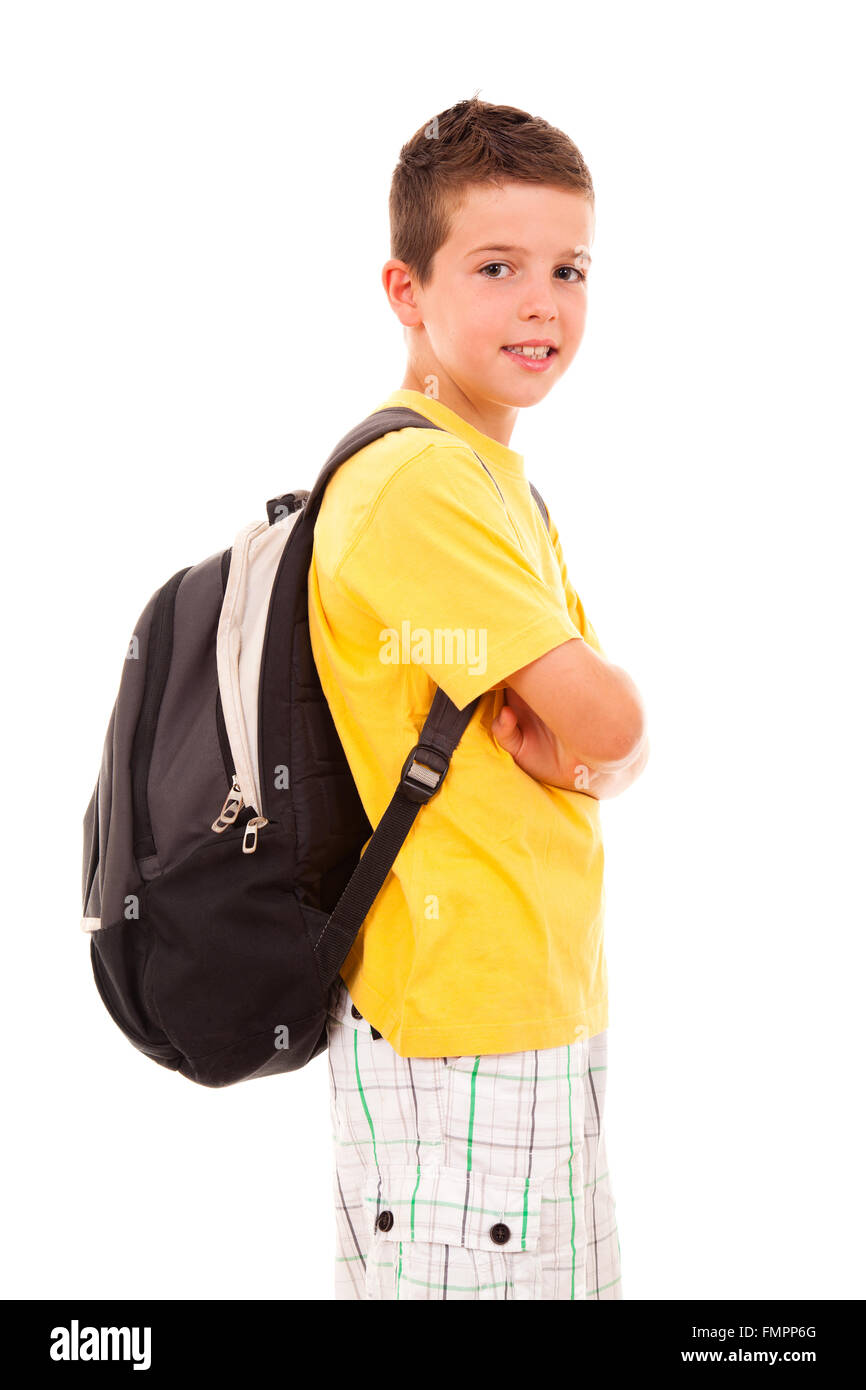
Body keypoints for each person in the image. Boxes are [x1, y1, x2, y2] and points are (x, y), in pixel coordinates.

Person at [307, 95, 649, 1300]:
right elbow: (609, 725)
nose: (541, 303)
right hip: (465, 1018)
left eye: (569, 267)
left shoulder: (494, 481)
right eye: (495, 266)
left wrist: (590, 746)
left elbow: (599, 742)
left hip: (518, 998)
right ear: (406, 292)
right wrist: (591, 745)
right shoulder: (419, 487)